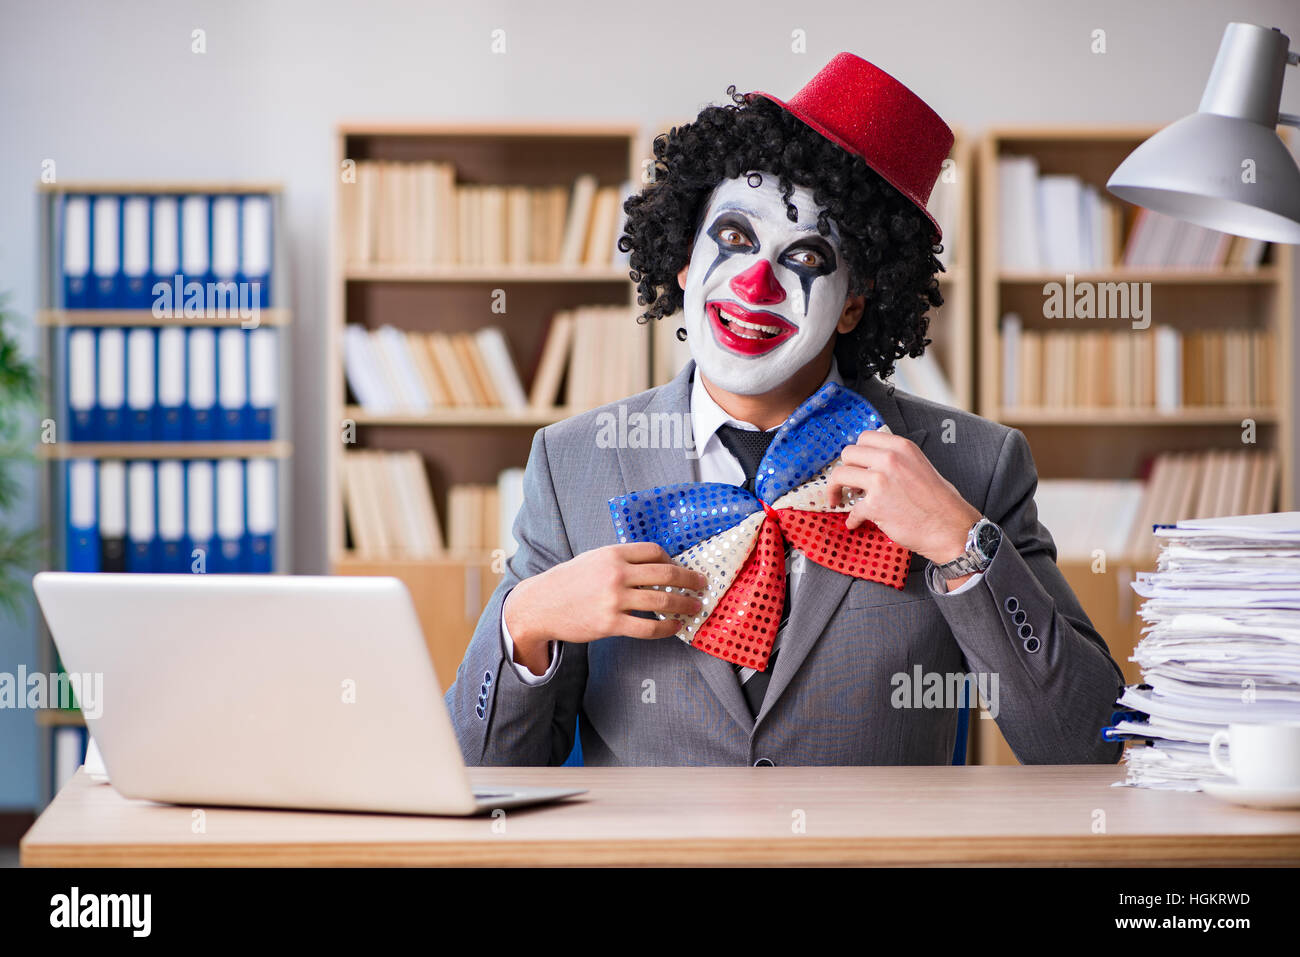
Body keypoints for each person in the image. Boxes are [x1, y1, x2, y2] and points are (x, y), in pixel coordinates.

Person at [446, 52, 1125, 766]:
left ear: (854, 306)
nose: (756, 284)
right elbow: (483, 775)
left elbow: (1085, 745)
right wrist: (525, 621)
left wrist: (965, 544)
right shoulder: (570, 464)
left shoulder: (975, 463)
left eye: (805, 257)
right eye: (734, 239)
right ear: (682, 261)